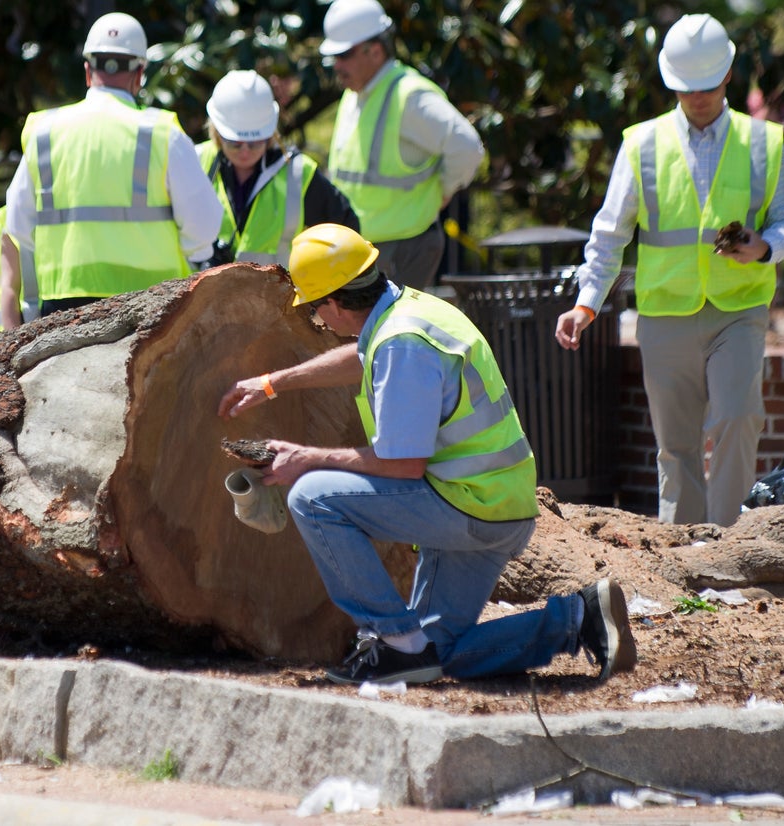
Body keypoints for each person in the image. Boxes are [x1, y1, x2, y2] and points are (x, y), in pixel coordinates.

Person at [217, 223, 637, 685]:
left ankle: (393, 640)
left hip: (468, 506)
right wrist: (274, 383)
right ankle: (578, 618)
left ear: (334, 303)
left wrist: (305, 458)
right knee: (436, 655)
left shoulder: (403, 343)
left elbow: (402, 464)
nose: (319, 320)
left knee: (313, 497)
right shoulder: (406, 311)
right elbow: (365, 356)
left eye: (316, 310)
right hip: (491, 500)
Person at [554, 14, 784, 528]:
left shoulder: (763, 143)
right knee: (677, 446)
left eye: (707, 85)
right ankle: (684, 552)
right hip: (665, 312)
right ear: (672, 82)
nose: (697, 96)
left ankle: (728, 544)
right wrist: (587, 302)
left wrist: (764, 249)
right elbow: (610, 233)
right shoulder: (642, 145)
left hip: (738, 309)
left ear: (727, 77)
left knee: (739, 417)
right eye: (686, 87)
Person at [0, 12, 222, 329]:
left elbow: (18, 226)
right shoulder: (161, 132)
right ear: (140, 73)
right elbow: (203, 227)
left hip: (63, 311)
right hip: (152, 308)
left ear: (88, 71)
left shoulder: (44, 132)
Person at [318, 0, 483, 290]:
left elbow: (467, 147)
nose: (337, 65)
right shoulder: (356, 94)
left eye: (344, 54)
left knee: (391, 332)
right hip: (364, 250)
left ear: (376, 51)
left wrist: (443, 192)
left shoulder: (409, 96)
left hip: (405, 249)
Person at [197, 69, 358, 267]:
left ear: (270, 133)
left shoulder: (298, 173)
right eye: (235, 144)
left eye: (255, 143)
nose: (245, 152)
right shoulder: (196, 162)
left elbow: (346, 232)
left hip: (278, 296)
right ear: (217, 132)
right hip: (208, 295)